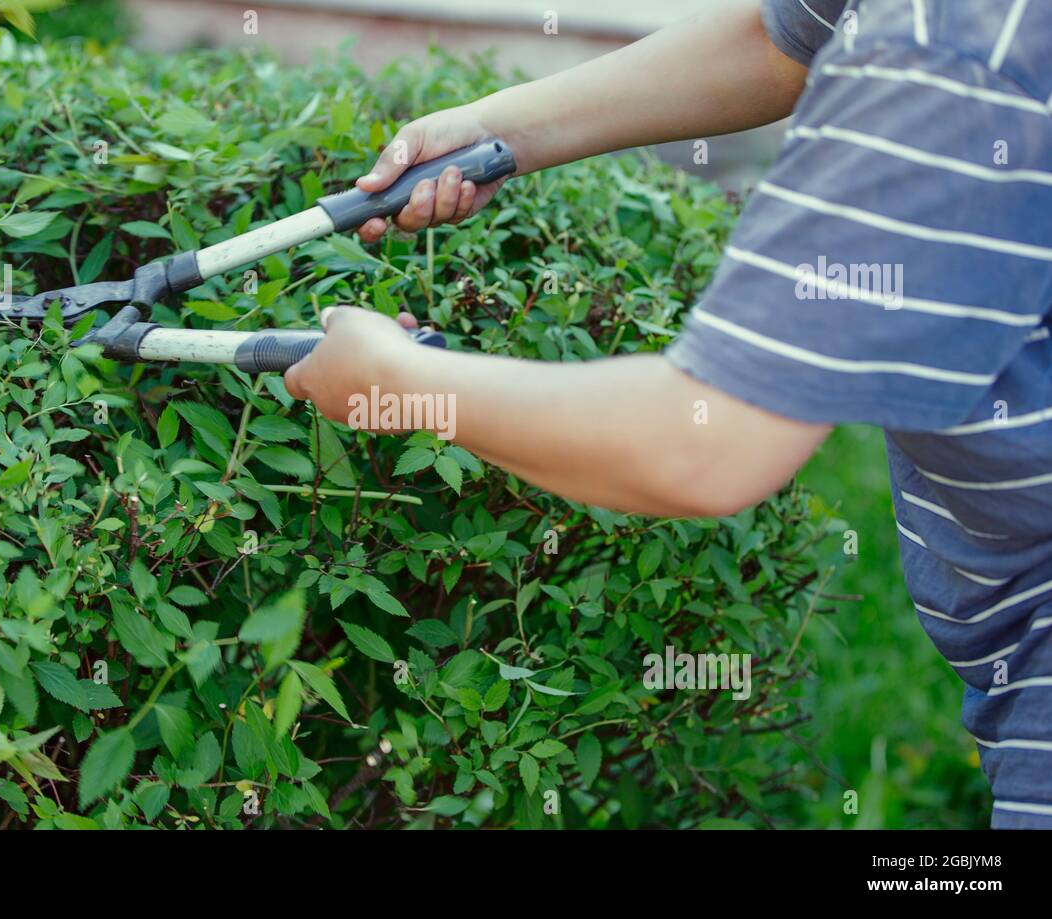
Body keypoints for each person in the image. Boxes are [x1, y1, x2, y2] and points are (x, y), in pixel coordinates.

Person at [282, 0, 1052, 829]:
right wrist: (488, 131)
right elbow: (783, 37)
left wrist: (395, 380)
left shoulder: (955, 51)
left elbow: (707, 441)